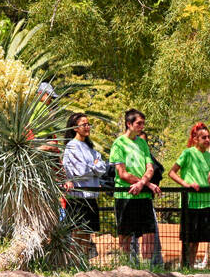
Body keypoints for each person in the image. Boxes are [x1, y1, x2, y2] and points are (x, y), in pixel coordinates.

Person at [108, 108, 161, 265]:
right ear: (128, 124)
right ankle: (126, 266)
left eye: (143, 123)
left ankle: (147, 269)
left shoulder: (142, 142)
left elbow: (150, 168)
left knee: (149, 232)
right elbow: (122, 173)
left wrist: (142, 183)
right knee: (125, 233)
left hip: (143, 194)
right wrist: (146, 183)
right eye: (139, 123)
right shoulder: (118, 144)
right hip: (125, 195)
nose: (141, 126)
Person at [168, 122, 210, 268]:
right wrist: (186, 184)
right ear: (195, 139)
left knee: (198, 239)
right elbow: (171, 172)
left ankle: (191, 267)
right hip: (190, 202)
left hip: (205, 202)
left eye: (208, 137)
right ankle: (184, 267)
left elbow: (206, 177)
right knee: (188, 238)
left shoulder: (208, 156)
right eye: (204, 137)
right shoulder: (187, 153)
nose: (207, 140)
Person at [61, 113, 106, 260]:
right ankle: (72, 263)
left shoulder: (89, 147)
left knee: (87, 234)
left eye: (88, 124)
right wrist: (94, 166)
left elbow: (102, 167)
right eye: (83, 124)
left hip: (91, 196)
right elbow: (81, 172)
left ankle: (83, 264)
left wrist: (94, 166)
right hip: (78, 197)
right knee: (77, 233)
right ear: (75, 128)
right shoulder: (72, 146)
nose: (87, 127)